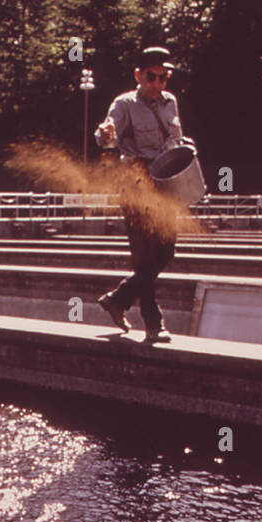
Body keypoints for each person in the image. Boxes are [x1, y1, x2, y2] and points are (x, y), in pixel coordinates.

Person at [94, 45, 190, 342]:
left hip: (164, 183)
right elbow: (105, 137)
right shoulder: (123, 104)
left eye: (164, 77)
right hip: (136, 182)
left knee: (166, 250)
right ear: (138, 75)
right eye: (152, 76)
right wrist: (106, 134)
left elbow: (174, 139)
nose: (158, 83)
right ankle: (153, 322)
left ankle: (119, 298)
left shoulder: (170, 102)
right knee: (145, 257)